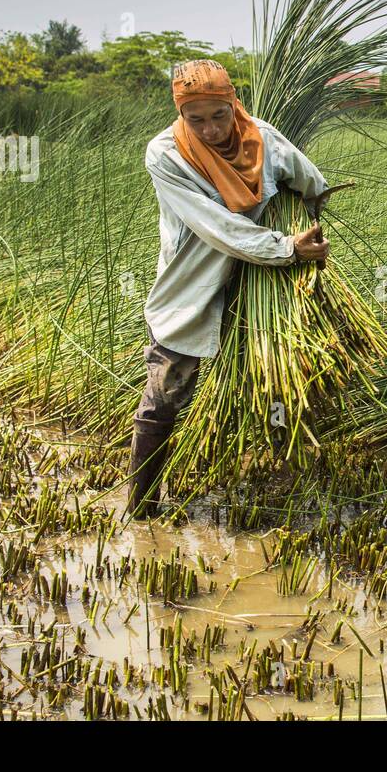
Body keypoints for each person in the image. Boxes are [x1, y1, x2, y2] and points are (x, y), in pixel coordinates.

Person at [128, 59, 331, 516]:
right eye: (195, 119)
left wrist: (305, 221)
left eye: (219, 115)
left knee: (279, 381)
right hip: (194, 284)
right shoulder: (166, 154)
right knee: (164, 397)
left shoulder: (263, 137)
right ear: (180, 113)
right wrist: (286, 247)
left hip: (263, 282)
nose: (211, 129)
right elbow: (215, 225)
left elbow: (313, 184)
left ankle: (280, 496)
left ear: (232, 101)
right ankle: (141, 510)